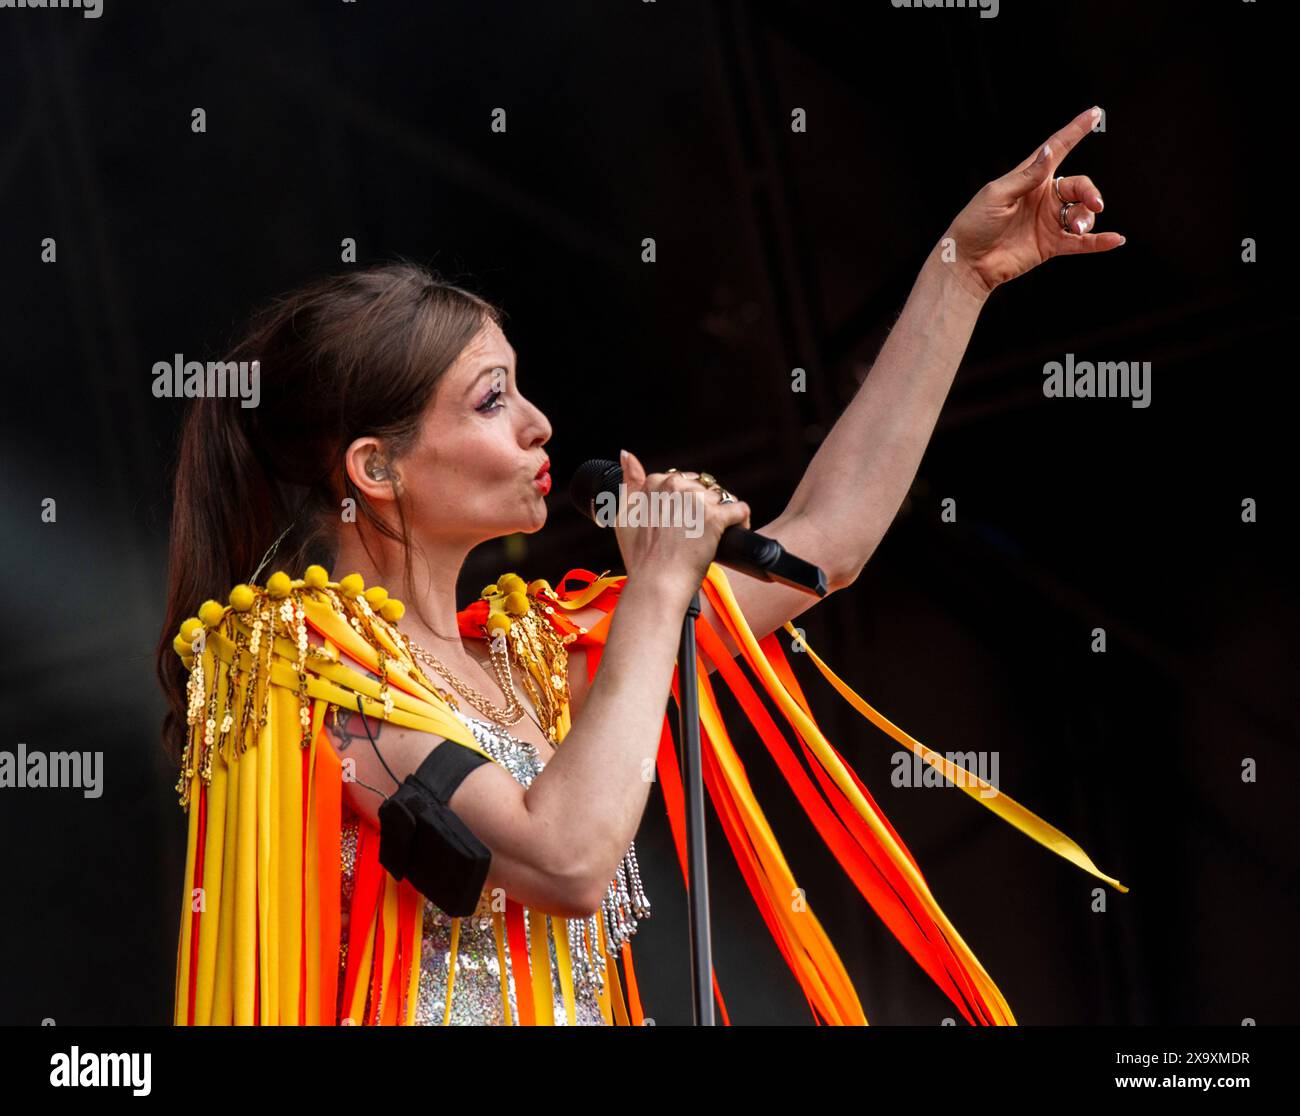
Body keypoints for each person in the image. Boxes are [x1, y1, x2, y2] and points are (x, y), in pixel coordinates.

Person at [161, 107, 1127, 1026]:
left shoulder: (527, 656)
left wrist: (962, 273)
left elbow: (824, 543)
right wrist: (663, 583)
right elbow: (569, 859)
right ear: (375, 468)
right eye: (493, 401)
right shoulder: (304, 664)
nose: (541, 424)